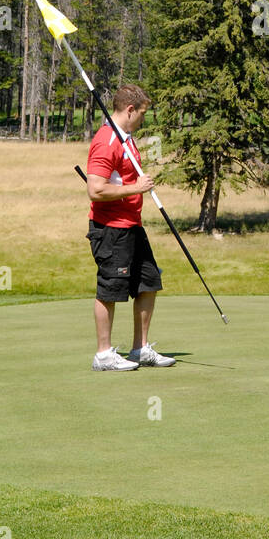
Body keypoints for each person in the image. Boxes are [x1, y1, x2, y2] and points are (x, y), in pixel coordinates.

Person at [85, 84, 175, 371]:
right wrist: (135, 187)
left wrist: (134, 187)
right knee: (110, 289)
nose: (143, 120)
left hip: (132, 226)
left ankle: (140, 348)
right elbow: (95, 190)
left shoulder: (128, 139)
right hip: (110, 229)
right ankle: (103, 354)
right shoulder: (107, 140)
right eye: (142, 114)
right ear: (130, 110)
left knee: (149, 283)